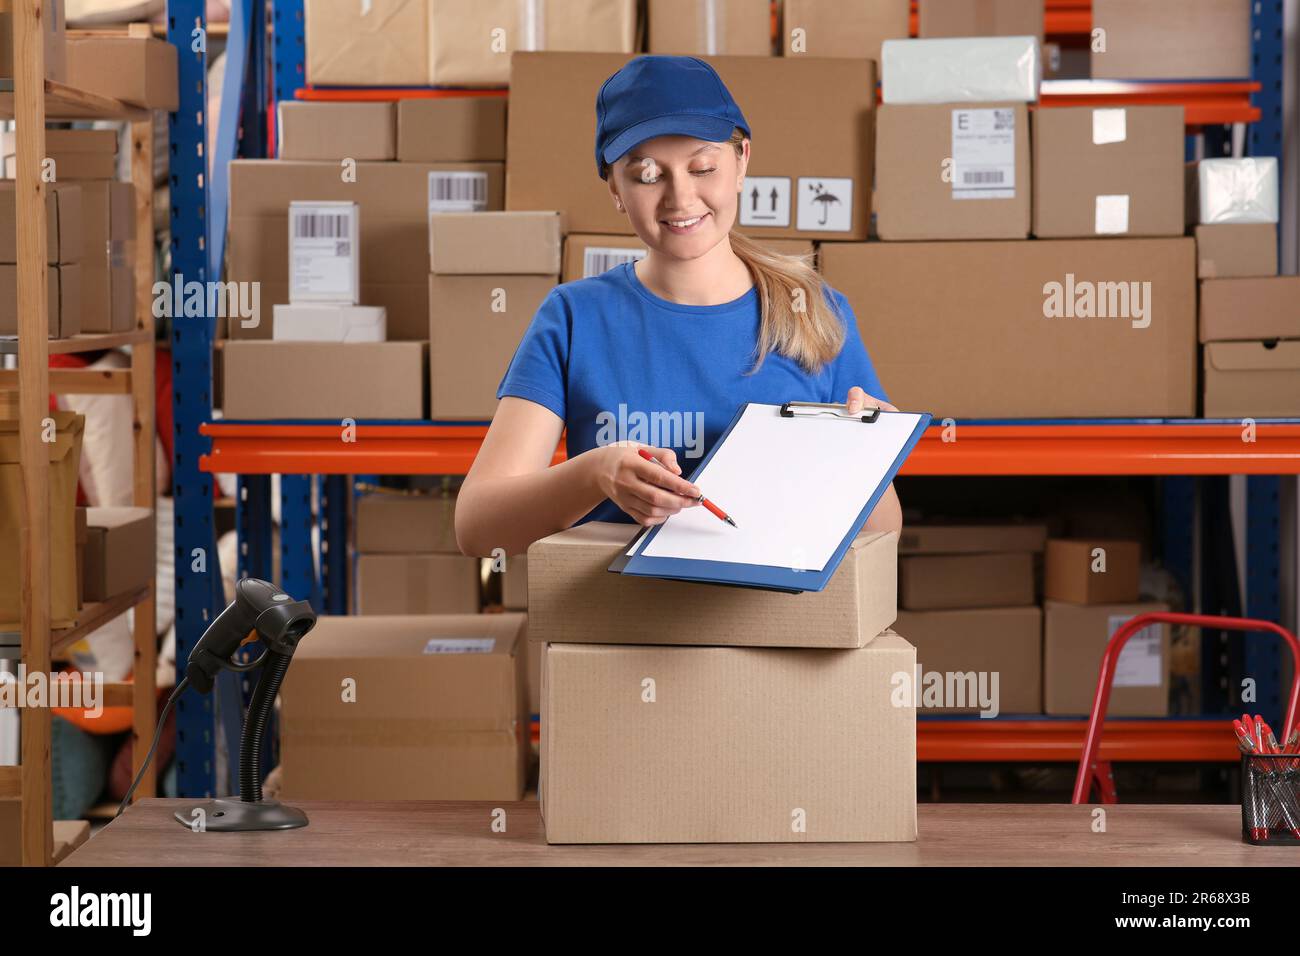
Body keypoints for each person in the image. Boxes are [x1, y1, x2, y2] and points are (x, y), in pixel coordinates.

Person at [456, 55, 901, 558]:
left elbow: (880, 536)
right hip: (618, 626)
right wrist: (597, 473)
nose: (681, 197)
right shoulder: (575, 318)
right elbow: (477, 529)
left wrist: (866, 457)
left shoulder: (815, 313)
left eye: (703, 167)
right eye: (647, 175)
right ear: (615, 190)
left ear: (742, 162)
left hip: (774, 625)